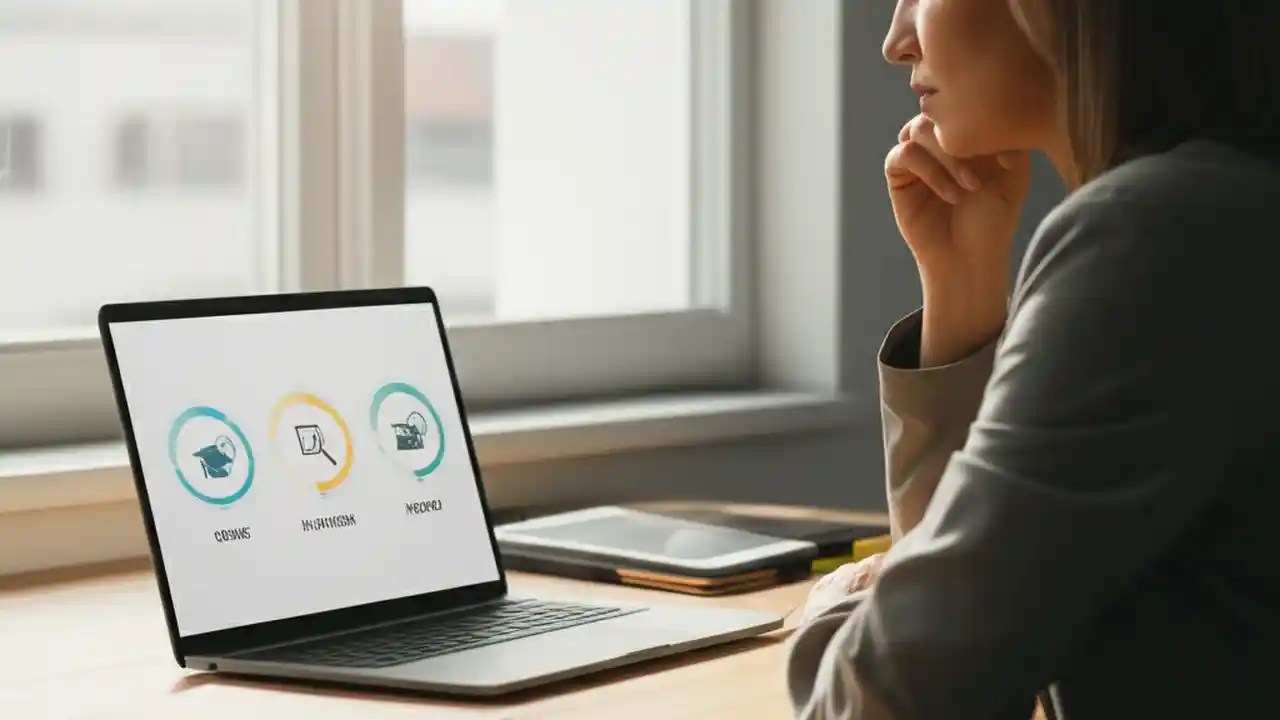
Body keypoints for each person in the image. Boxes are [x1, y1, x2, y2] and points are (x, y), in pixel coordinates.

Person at [785, 1, 1280, 718]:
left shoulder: (1156, 237)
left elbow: (897, 700)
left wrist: (832, 618)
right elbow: (971, 629)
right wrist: (960, 289)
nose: (896, 41)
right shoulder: (1225, 205)